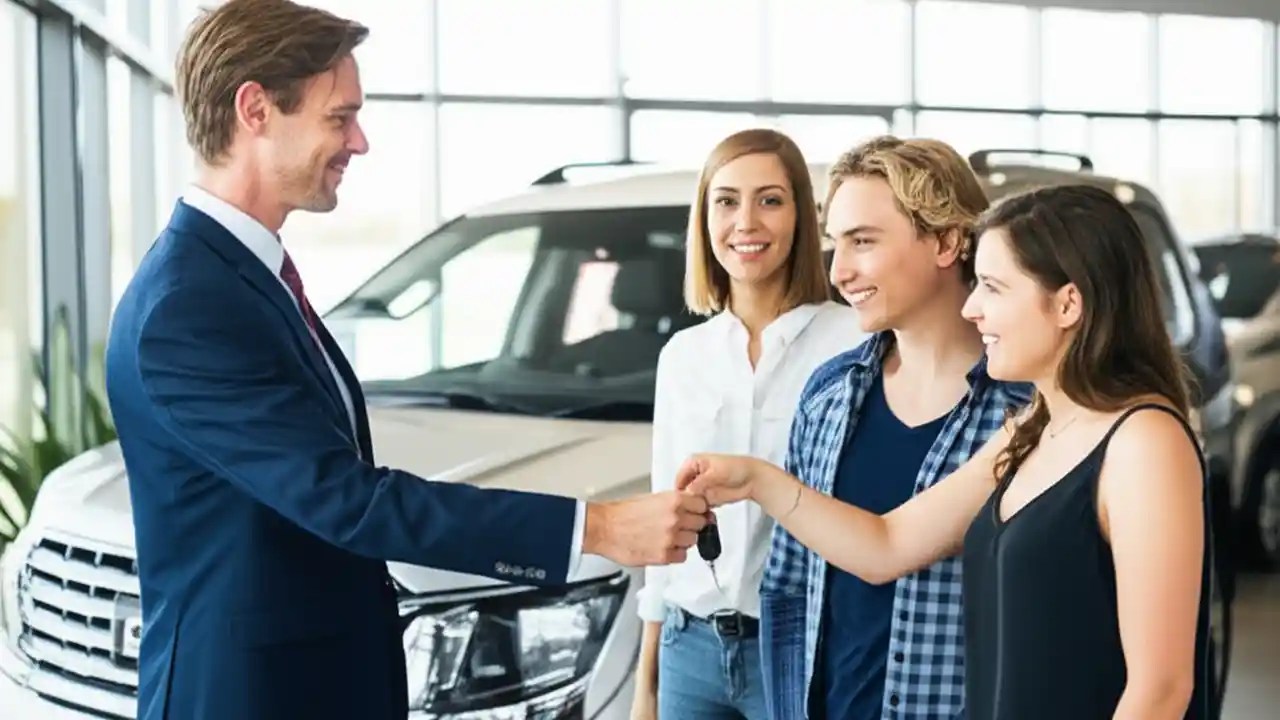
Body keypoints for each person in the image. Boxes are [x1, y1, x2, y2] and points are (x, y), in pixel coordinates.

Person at [103, 2, 708, 719]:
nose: (359, 142)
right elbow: (345, 499)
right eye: (339, 117)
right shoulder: (188, 304)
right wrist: (600, 528)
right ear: (255, 109)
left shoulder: (240, 277)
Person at [680, 183, 1214, 720]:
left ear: (1067, 303)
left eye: (992, 287)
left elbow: (1160, 691)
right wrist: (756, 481)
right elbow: (887, 546)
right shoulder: (1033, 426)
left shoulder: (1143, 444)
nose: (973, 307)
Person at [720, 135, 1029, 720]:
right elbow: (789, 588)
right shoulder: (829, 395)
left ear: (947, 241)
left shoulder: (1028, 410)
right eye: (836, 244)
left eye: (863, 242)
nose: (839, 272)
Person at [629, 128, 864, 720]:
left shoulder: (856, 341)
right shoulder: (684, 355)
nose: (746, 222)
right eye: (727, 200)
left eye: (770, 200)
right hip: (689, 646)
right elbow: (667, 520)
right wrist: (646, 686)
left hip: (801, 645)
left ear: (802, 218)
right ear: (704, 217)